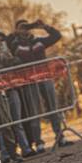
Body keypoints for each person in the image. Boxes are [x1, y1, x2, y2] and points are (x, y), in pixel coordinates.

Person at [8, 19, 64, 150]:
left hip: (45, 77)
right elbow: (8, 42)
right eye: (22, 27)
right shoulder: (14, 44)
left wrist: (44, 26)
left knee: (53, 107)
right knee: (34, 111)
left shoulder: (38, 41)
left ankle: (60, 136)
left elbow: (57, 36)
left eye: (27, 26)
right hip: (29, 81)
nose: (26, 29)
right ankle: (39, 142)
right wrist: (16, 32)